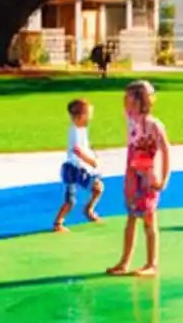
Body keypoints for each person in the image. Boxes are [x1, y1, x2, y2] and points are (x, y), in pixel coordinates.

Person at [107, 80, 171, 277]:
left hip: (148, 178)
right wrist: (128, 179)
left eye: (128, 98)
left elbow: (166, 150)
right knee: (131, 218)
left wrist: (164, 178)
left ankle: (152, 263)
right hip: (134, 176)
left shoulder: (154, 125)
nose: (124, 102)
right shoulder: (131, 121)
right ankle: (124, 261)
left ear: (140, 101)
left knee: (149, 220)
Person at [54, 98, 104, 232]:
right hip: (74, 169)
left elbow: (85, 146)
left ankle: (88, 210)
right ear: (79, 117)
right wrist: (90, 160)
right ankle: (59, 222)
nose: (90, 118)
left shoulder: (82, 129)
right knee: (71, 200)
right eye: (88, 114)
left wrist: (92, 153)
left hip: (81, 167)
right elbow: (77, 150)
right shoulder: (75, 130)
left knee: (97, 188)